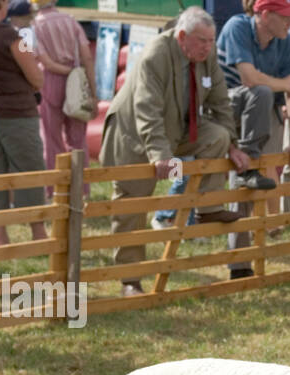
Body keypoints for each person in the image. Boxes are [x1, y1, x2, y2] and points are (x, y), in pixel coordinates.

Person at [99, 7, 250, 297]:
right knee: (132, 206)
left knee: (217, 136)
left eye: (211, 40)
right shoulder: (156, 54)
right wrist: (160, 154)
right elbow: (147, 109)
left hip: (178, 128)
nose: (208, 46)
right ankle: (130, 280)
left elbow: (220, 103)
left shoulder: (207, 56)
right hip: (134, 136)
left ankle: (207, 207)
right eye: (202, 40)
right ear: (182, 37)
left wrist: (232, 144)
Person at [215, 0, 290, 279]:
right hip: (224, 110)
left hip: (263, 115)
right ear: (264, 15)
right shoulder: (236, 27)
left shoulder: (288, 42)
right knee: (241, 180)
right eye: (286, 17)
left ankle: (247, 261)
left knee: (256, 178)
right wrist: (283, 85)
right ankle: (239, 264)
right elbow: (249, 78)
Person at [0, 0, 47, 243]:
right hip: (18, 112)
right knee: (30, 170)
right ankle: (38, 232)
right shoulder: (10, 35)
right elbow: (36, 78)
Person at [32, 0, 95, 178]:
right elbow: (87, 58)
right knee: (78, 140)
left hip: (49, 83)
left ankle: (55, 188)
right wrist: (93, 91)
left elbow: (44, 62)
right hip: (76, 81)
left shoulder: (33, 27)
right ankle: (80, 188)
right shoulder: (71, 20)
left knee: (52, 140)